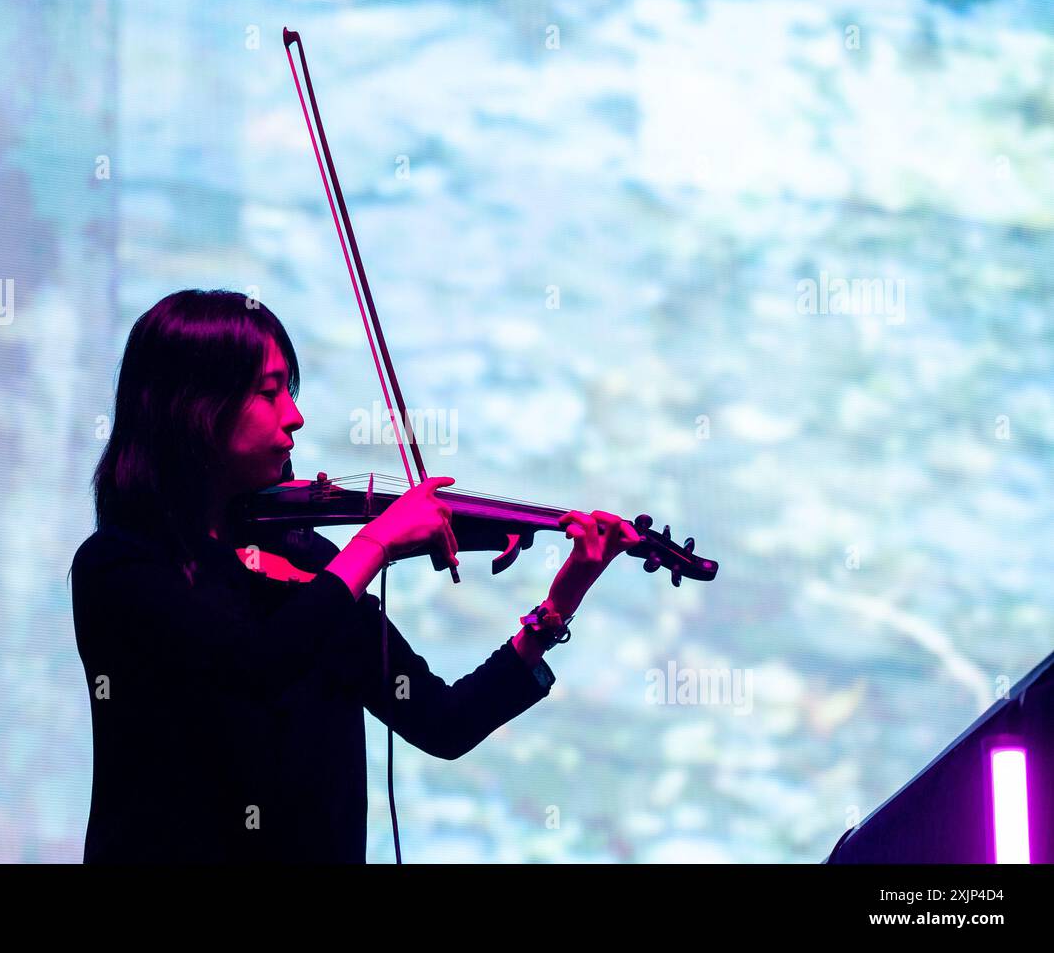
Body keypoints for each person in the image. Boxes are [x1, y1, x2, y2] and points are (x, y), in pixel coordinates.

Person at [69, 288, 640, 862]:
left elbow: (444, 723)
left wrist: (555, 609)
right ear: (194, 406)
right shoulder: (120, 569)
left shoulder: (307, 566)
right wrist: (376, 543)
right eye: (268, 392)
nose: (294, 416)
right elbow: (254, 664)